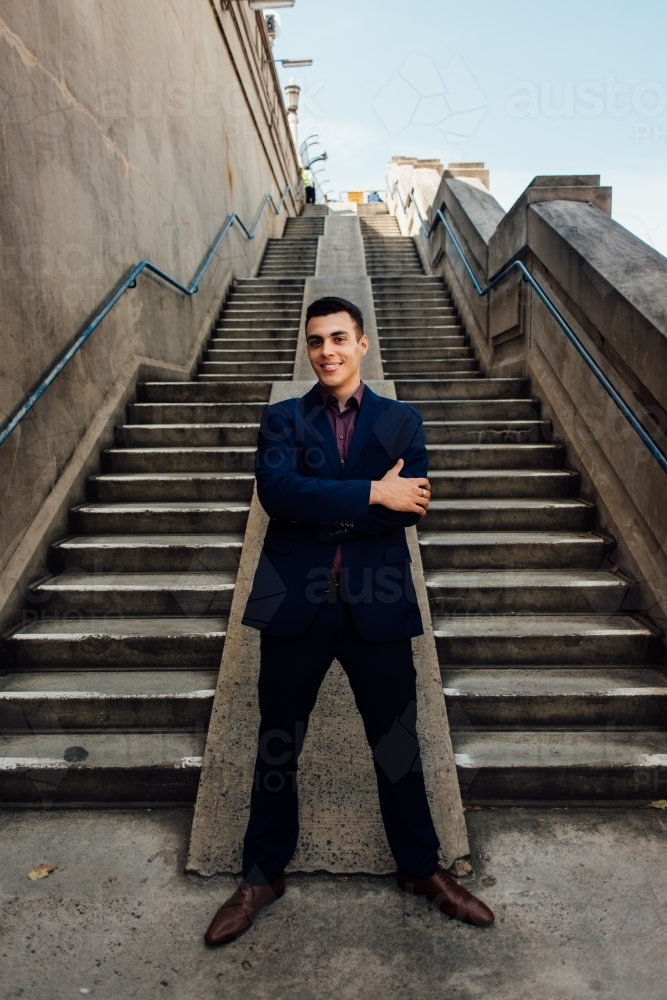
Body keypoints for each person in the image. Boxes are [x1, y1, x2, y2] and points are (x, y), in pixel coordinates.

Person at [204, 296, 494, 945]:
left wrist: (333, 506)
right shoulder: (282, 419)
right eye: (315, 341)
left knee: (397, 748)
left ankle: (421, 869)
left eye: (338, 338)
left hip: (378, 600)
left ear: (361, 344)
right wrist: (368, 492)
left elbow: (408, 506)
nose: (326, 351)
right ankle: (261, 875)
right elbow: (276, 494)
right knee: (276, 747)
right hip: (293, 605)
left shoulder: (401, 421)